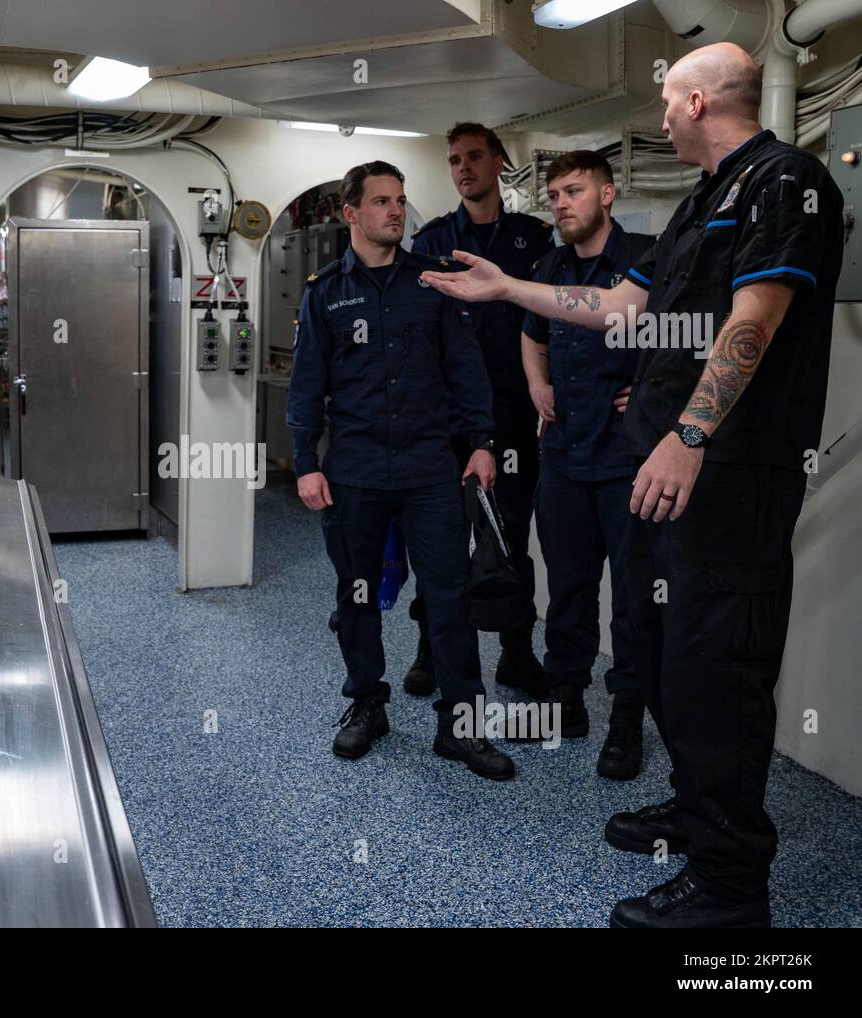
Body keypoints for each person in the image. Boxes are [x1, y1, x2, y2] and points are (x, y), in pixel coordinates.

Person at [419, 43, 844, 927]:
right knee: (681, 664)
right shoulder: (702, 199)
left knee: (722, 672)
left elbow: (756, 319)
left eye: (666, 101)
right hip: (680, 480)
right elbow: (615, 306)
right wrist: (507, 289)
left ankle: (730, 888)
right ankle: (695, 811)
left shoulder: (784, 182)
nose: (659, 118)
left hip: (732, 473)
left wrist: (689, 435)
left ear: (696, 103)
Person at [287, 160, 514, 780]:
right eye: (382, 201)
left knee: (449, 597)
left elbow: (467, 370)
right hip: (355, 471)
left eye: (400, 200)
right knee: (357, 597)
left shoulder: (433, 284)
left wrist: (483, 442)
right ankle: (367, 704)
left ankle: (460, 726)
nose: (395, 211)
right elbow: (306, 386)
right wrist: (305, 463)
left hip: (430, 470)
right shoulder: (325, 291)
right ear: (351, 213)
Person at [405, 123, 554, 700]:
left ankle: (517, 652)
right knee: (440, 542)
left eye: (473, 157)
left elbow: (552, 322)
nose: (463, 168)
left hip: (514, 417)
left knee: (511, 536)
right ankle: (431, 649)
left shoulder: (534, 240)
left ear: (499, 163)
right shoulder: (434, 240)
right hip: (450, 424)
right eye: (453, 160)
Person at [519, 150, 654, 779]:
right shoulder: (549, 268)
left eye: (573, 191)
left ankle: (626, 718)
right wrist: (536, 384)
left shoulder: (647, 258)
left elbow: (694, 337)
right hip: (565, 458)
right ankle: (565, 700)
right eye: (553, 195)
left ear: (607, 193)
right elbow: (531, 334)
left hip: (628, 462)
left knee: (633, 598)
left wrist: (651, 393)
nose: (561, 204)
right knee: (568, 588)